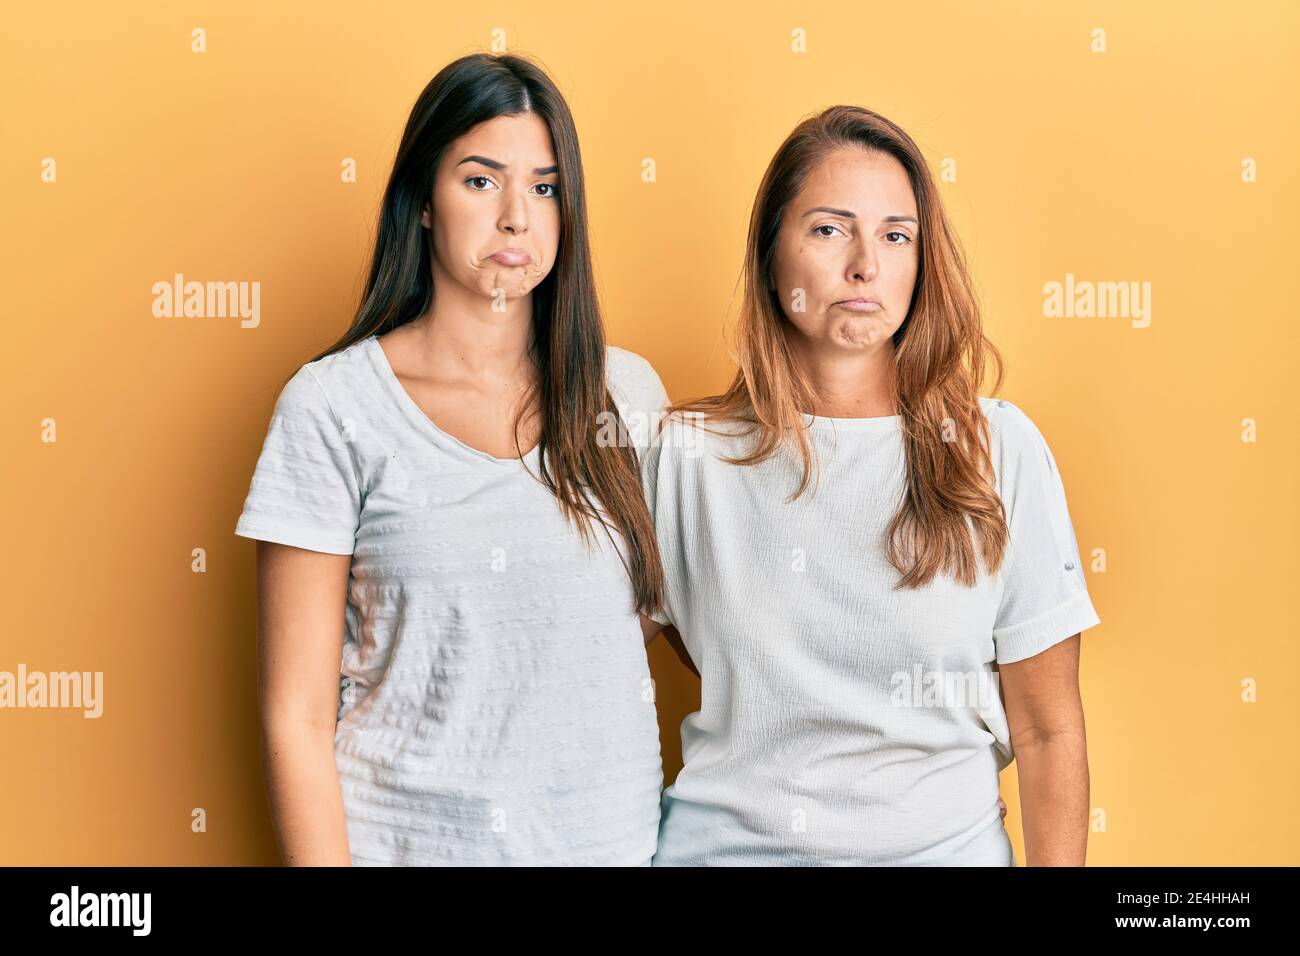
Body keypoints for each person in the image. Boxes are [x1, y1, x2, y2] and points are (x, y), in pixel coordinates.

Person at [235, 53, 670, 866]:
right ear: (424, 203)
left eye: (545, 188)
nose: (516, 218)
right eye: (480, 180)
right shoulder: (332, 407)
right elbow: (295, 715)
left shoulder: (629, 395)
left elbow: (631, 625)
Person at [640, 105, 1101, 866]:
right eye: (830, 230)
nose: (865, 266)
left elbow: (1049, 731)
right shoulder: (686, 457)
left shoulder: (996, 449)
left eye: (895, 236)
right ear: (769, 253)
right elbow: (590, 664)